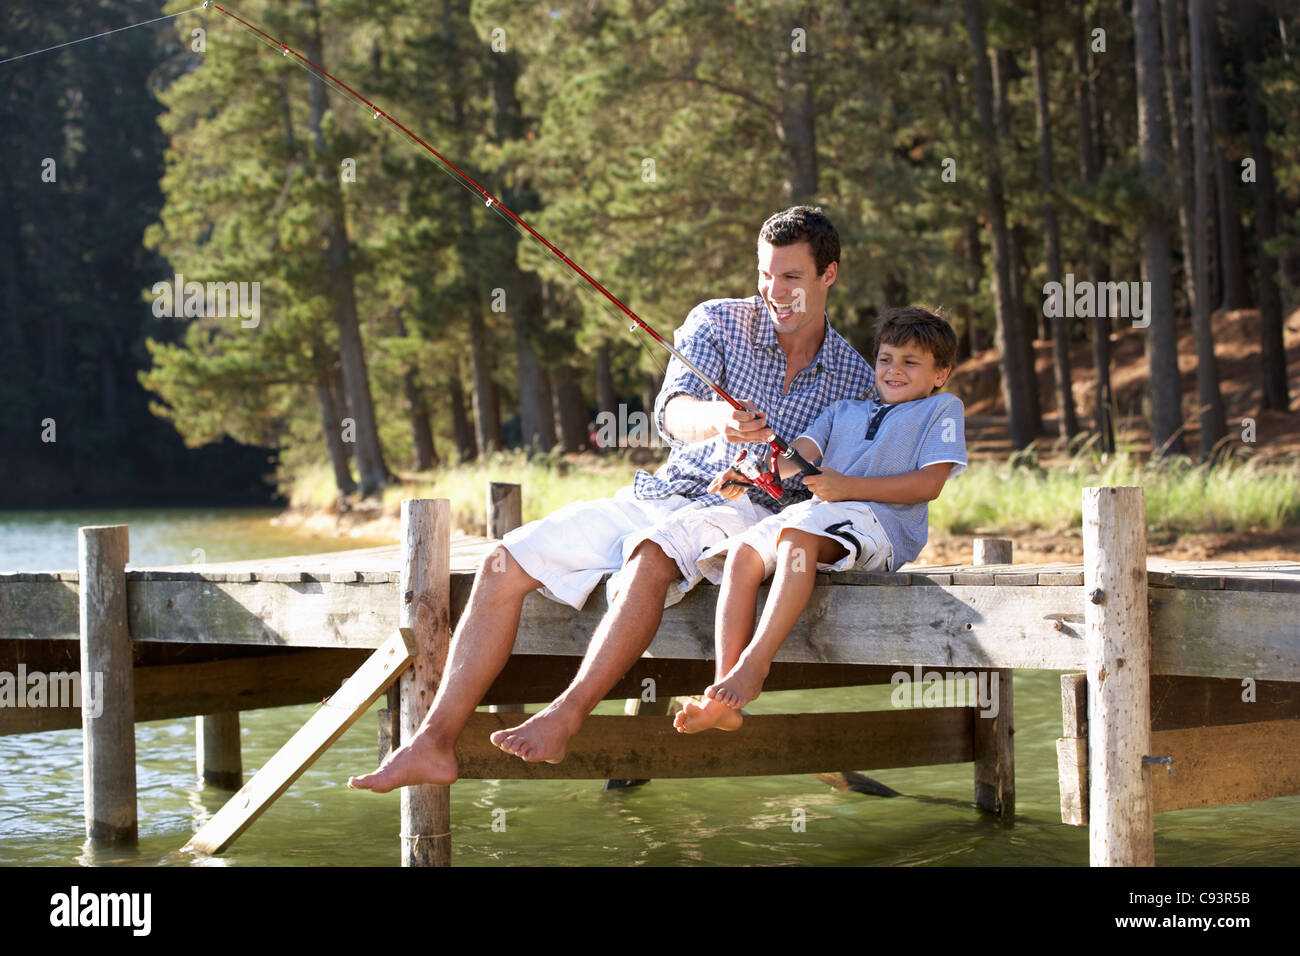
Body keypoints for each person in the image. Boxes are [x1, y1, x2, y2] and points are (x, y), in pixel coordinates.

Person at [347, 205, 873, 791]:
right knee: (502, 561)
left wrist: (785, 468)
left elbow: (833, 484)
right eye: (765, 274)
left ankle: (565, 716)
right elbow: (673, 413)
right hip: (665, 490)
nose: (774, 290)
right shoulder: (718, 323)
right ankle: (432, 744)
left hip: (745, 515)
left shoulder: (855, 377)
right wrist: (720, 419)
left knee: (650, 555)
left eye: (792, 277)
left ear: (828, 275)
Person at [674, 306, 967, 734]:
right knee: (741, 554)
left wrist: (848, 486)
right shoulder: (844, 411)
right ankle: (722, 691)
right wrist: (756, 474)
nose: (893, 370)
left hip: (878, 522)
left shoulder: (942, 409)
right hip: (820, 513)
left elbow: (930, 484)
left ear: (940, 373)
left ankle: (754, 667)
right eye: (886, 358)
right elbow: (799, 458)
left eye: (910, 361)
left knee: (796, 540)